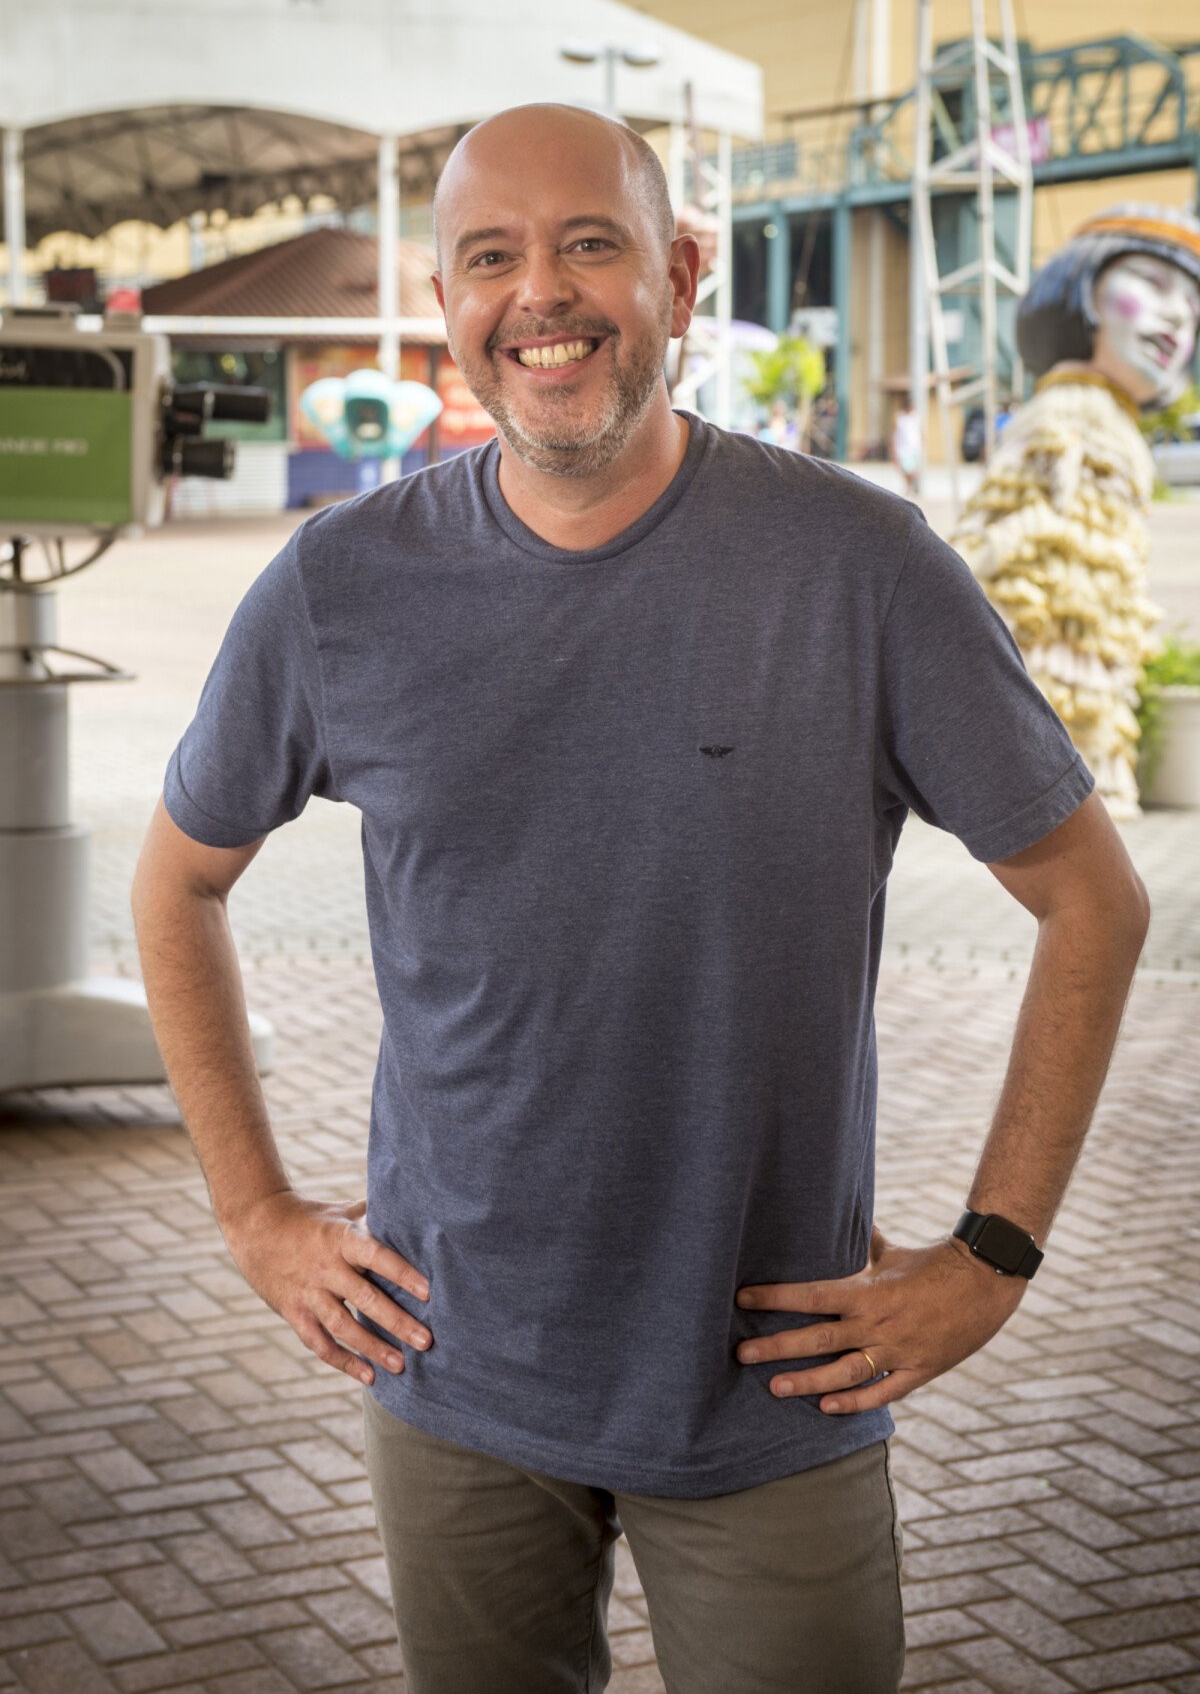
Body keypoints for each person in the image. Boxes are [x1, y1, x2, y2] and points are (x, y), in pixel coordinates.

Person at [132, 105, 1149, 1694]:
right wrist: (258, 1216)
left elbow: (1094, 898)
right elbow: (177, 880)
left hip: (771, 1383)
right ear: (449, 304)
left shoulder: (859, 567)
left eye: (590, 243)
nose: (543, 294)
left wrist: (994, 1250)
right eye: (492, 257)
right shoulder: (342, 586)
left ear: (678, 272)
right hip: (451, 1371)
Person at [951, 206, 1200, 818]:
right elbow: (1041, 584)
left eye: (1193, 305)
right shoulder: (1074, 418)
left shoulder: (1100, 417)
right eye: (1153, 283)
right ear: (1082, 289)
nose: (1178, 315)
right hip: (1047, 730)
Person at [889, 397, 921, 495]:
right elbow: (894, 433)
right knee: (906, 469)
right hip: (903, 448)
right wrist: (892, 446)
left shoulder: (915, 417)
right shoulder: (899, 418)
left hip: (915, 447)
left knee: (914, 470)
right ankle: (908, 487)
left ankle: (909, 487)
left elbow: (920, 431)